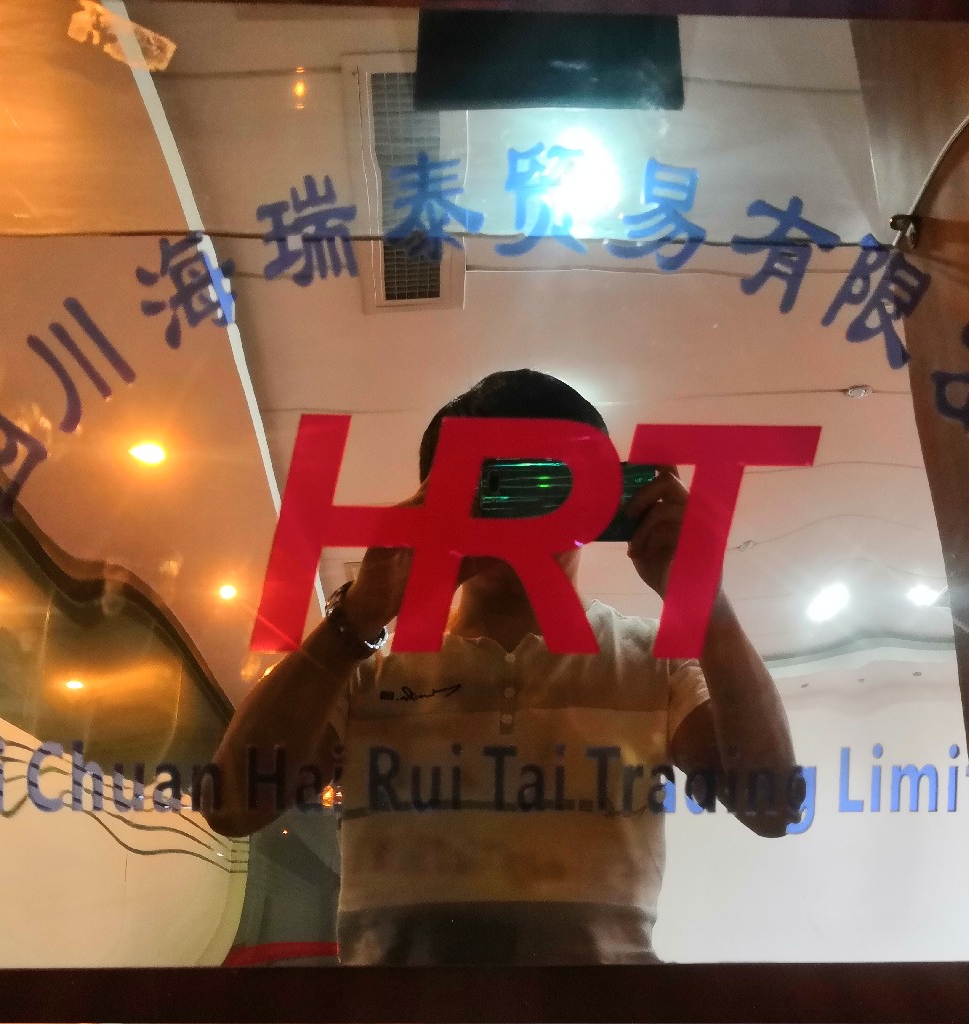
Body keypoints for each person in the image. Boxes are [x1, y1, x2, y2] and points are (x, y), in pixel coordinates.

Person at [204, 369, 799, 965]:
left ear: (599, 498)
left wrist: (703, 597)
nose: (522, 513)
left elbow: (773, 808)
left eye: (551, 482)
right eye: (492, 483)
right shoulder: (362, 670)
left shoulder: (656, 662)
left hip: (600, 1009)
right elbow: (231, 805)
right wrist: (357, 616)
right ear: (434, 503)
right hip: (402, 1009)